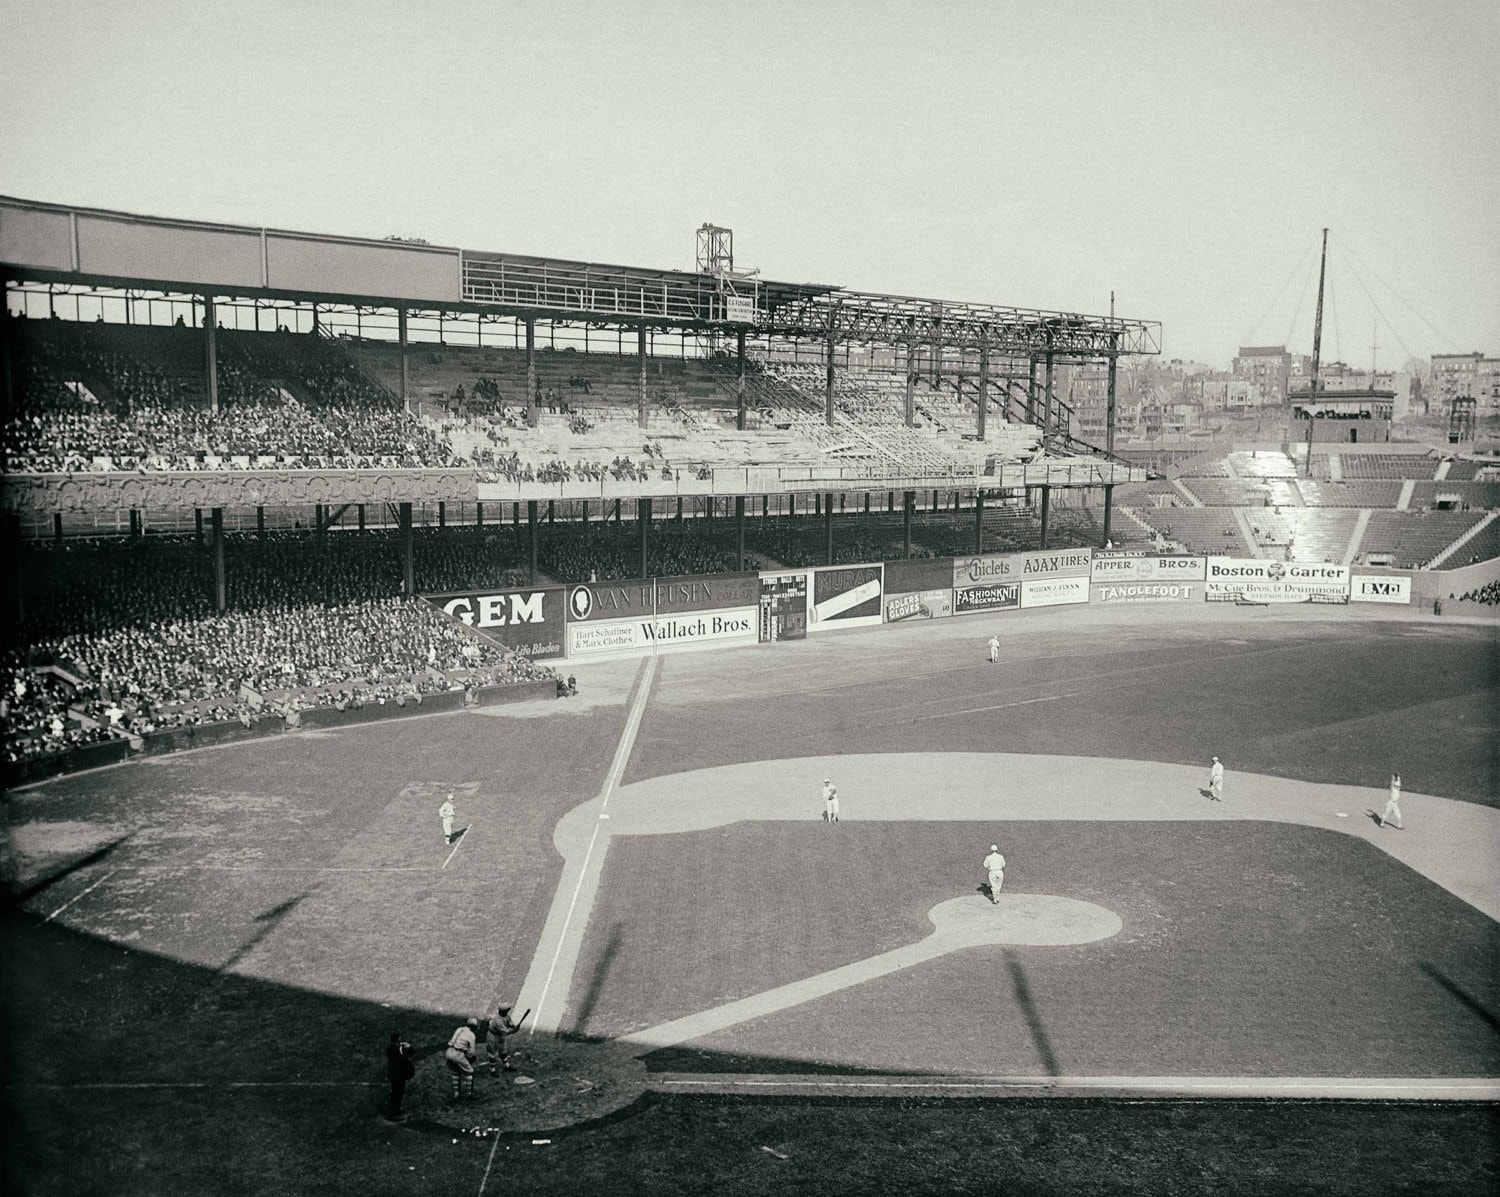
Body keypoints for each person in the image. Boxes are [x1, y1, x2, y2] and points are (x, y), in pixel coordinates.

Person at [445, 1017, 479, 1099]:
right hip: (458, 1054)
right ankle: (469, 1095)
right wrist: (470, 1059)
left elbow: (452, 1041)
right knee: (470, 1072)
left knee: (455, 1072)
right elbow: (471, 1052)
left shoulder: (459, 1029)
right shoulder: (471, 1035)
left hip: (449, 1052)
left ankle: (456, 1094)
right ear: (473, 1027)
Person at [386, 1031, 415, 1120]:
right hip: (399, 1074)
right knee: (398, 1093)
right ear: (398, 1038)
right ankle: (394, 1114)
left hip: (392, 1072)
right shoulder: (400, 1049)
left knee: (396, 1092)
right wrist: (407, 1046)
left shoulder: (389, 1048)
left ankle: (396, 1111)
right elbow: (411, 1052)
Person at [485, 1004, 520, 1075]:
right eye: (507, 1010)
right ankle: (492, 1070)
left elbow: (510, 1023)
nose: (508, 1011)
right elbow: (505, 1031)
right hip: (493, 1036)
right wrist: (513, 1030)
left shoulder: (506, 1016)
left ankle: (506, 1065)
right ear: (502, 1011)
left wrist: (514, 1026)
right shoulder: (498, 1020)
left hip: (501, 1036)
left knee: (503, 1050)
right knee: (492, 1052)